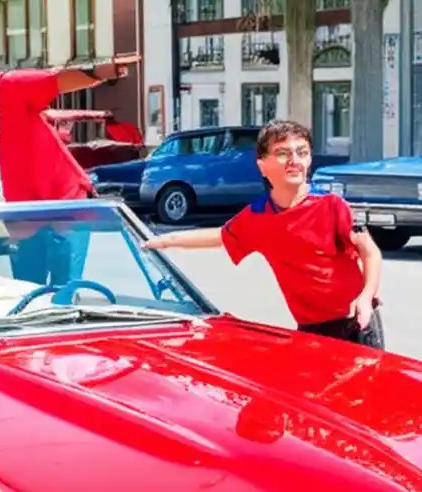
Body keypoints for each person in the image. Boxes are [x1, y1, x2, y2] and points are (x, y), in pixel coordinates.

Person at [143, 120, 386, 349]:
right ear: (262, 165)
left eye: (302, 152)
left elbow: (370, 253)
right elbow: (221, 236)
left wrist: (366, 298)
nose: (294, 160)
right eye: (283, 153)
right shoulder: (258, 215)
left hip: (356, 321)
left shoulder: (332, 205)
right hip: (311, 329)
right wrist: (166, 240)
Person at [0, 41, 137, 284]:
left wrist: (103, 72)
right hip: (19, 218)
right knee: (26, 294)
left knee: (64, 295)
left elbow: (57, 80)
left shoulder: (5, 87)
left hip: (64, 206)